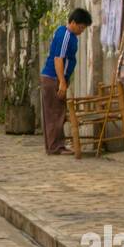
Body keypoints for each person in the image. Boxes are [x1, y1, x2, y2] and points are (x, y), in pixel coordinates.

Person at [40, 8, 92, 155]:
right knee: (55, 113)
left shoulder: (65, 33)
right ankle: (55, 147)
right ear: (73, 23)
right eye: (81, 27)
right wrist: (62, 82)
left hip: (54, 78)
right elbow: (58, 59)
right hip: (53, 78)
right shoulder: (66, 35)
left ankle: (54, 146)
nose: (82, 30)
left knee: (55, 112)